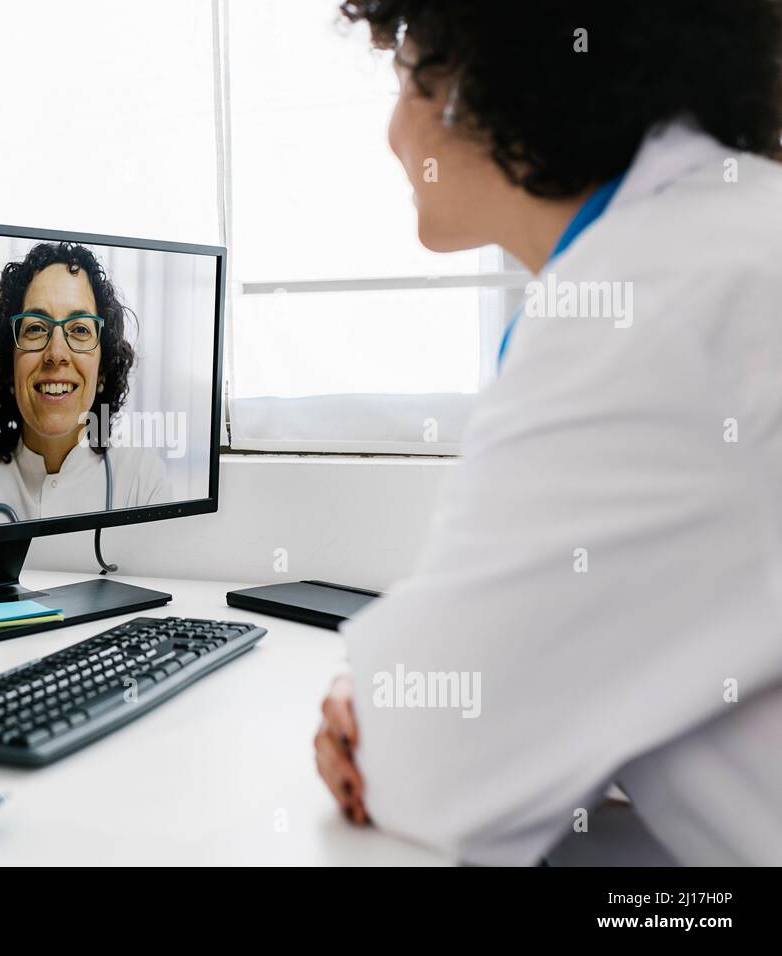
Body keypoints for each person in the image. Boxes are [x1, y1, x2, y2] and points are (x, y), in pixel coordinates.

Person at [315, 0, 782, 864]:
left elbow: (428, 766)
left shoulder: (654, 303)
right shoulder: (723, 238)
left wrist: (381, 704)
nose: (391, 133)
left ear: (481, 79)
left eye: (404, 74)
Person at [0, 241, 171, 534]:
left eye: (79, 329)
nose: (56, 354)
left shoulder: (141, 483)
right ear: (8, 362)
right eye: (36, 328)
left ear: (102, 369)